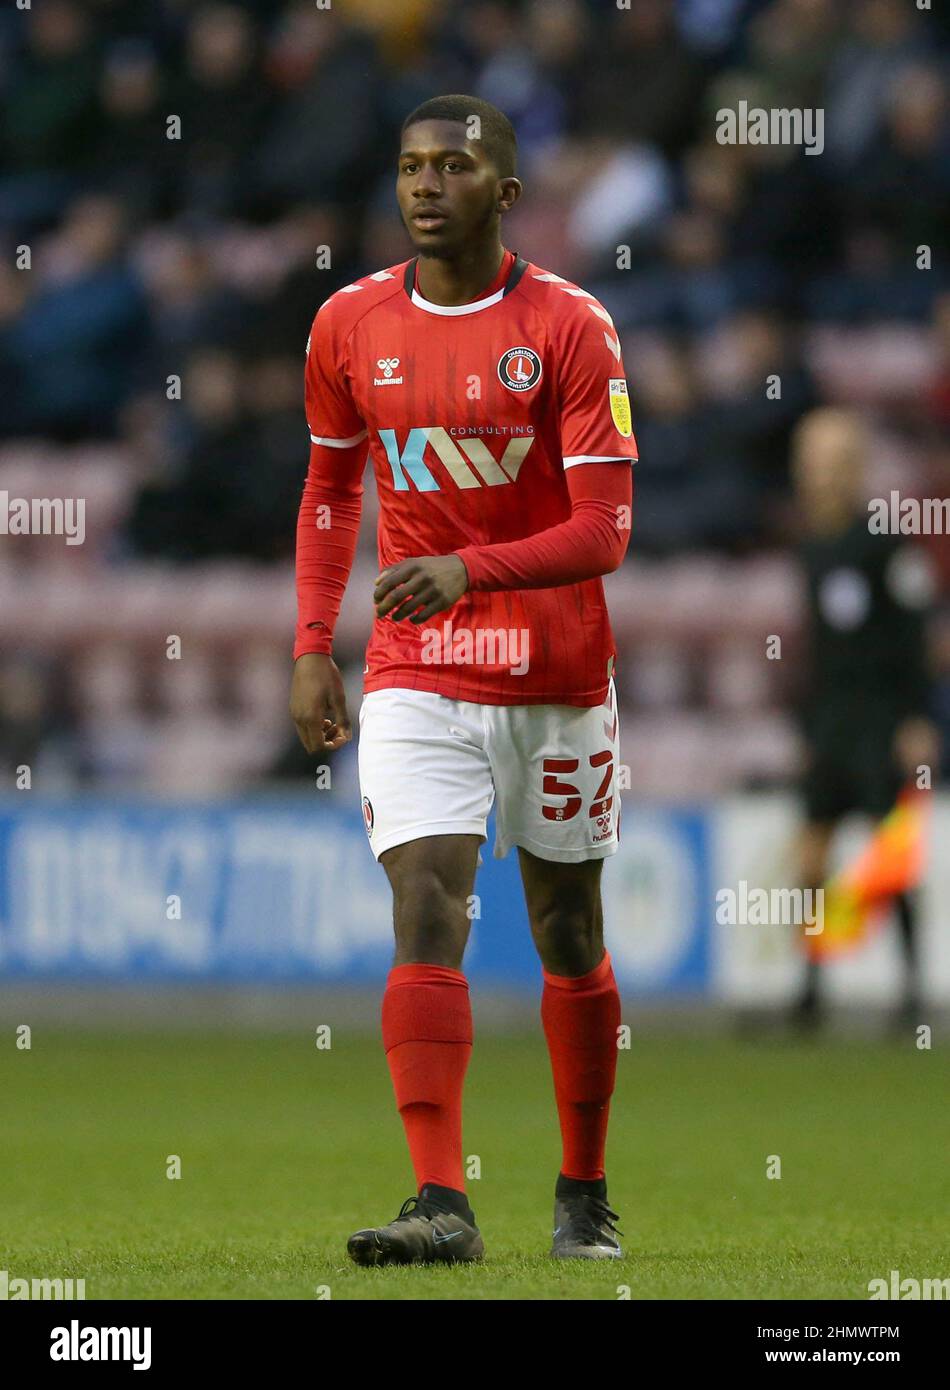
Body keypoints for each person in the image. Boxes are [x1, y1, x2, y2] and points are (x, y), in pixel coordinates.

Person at [290, 95, 637, 1263]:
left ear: (505, 191)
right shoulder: (345, 324)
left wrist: (464, 567)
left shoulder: (572, 327)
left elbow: (603, 531)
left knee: (565, 931)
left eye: (452, 166)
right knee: (424, 906)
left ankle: (580, 1188)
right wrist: (308, 643)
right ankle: (440, 1198)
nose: (425, 184)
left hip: (552, 673)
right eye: (408, 166)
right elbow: (333, 491)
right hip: (416, 669)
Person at [791, 408, 939, 1031]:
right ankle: (811, 987)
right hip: (830, 722)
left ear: (852, 469)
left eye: (829, 463)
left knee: (890, 859)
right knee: (811, 857)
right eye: (811, 463)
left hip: (880, 719)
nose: (819, 476)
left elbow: (915, 636)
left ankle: (910, 990)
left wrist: (914, 717)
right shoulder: (811, 547)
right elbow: (816, 649)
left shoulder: (885, 545)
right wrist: (805, 725)